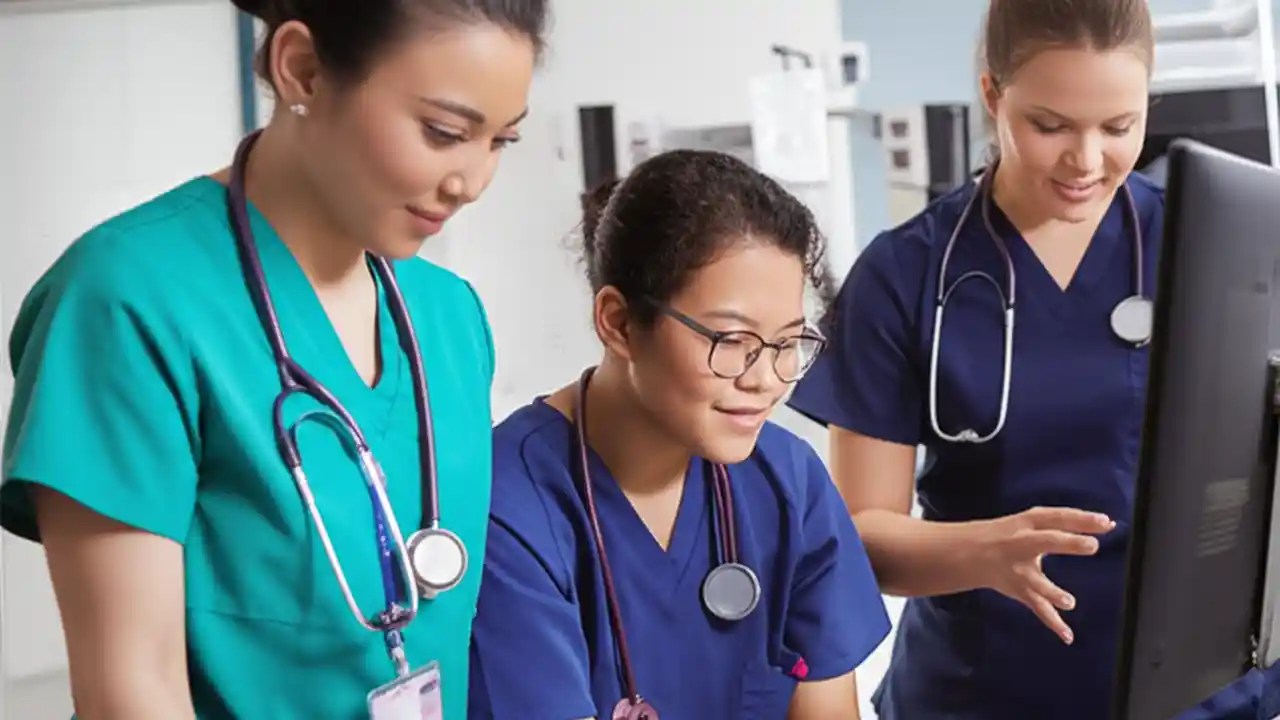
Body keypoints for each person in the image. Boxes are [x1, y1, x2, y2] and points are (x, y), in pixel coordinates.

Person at [0, 1, 546, 717]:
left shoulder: (449, 316)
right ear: (304, 70)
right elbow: (131, 690)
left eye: (501, 140)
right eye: (444, 133)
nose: (472, 181)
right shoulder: (126, 300)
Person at [788, 1, 1280, 718]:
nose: (1086, 160)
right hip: (985, 689)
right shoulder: (907, 274)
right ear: (992, 94)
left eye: (1119, 127)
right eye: (1050, 126)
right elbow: (862, 536)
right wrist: (983, 550)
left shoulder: (1214, 245)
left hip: (1202, 692)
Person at [467, 150, 891, 720]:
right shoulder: (509, 508)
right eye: (731, 340)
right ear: (618, 323)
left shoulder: (788, 480)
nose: (765, 380)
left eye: (788, 343)